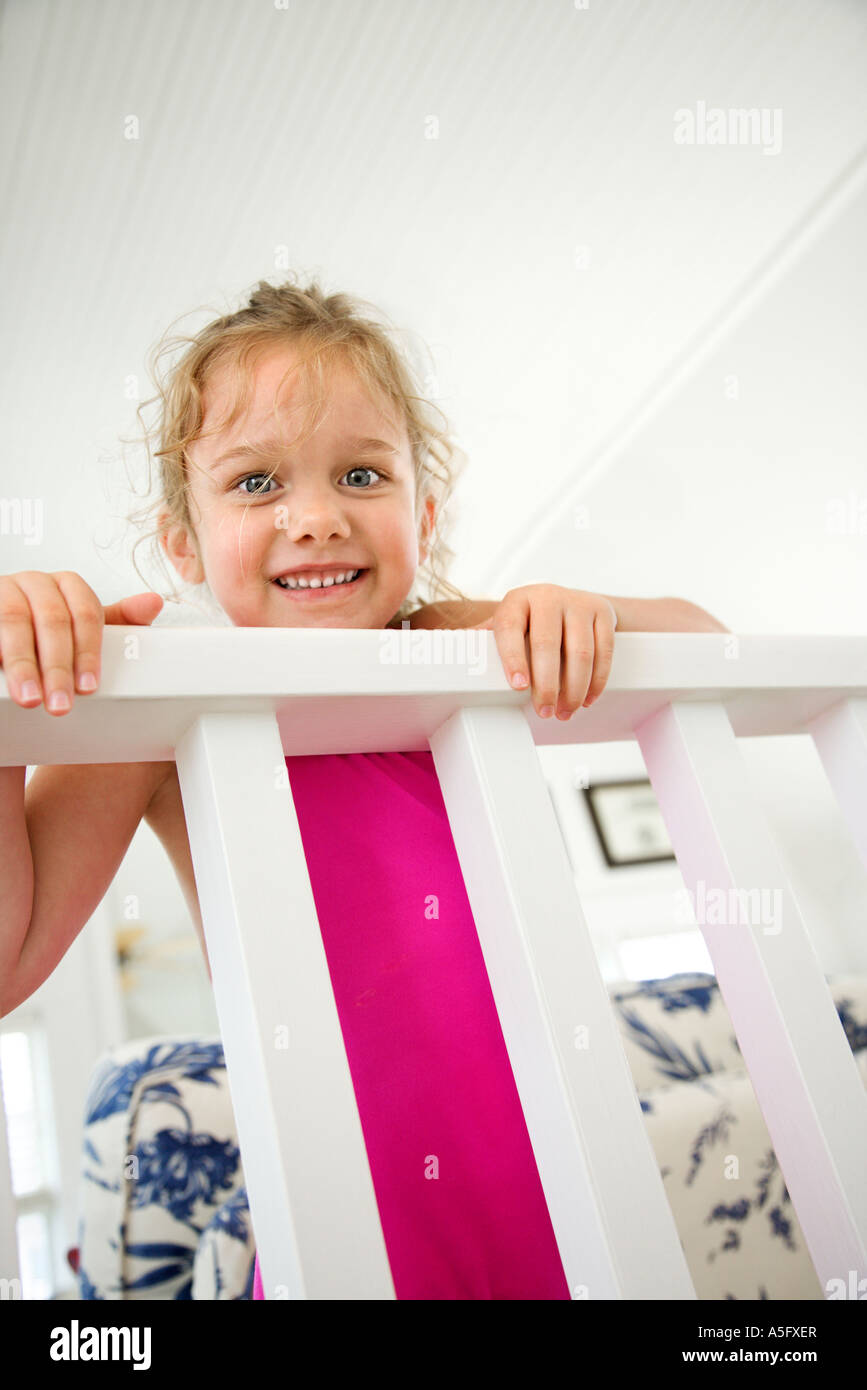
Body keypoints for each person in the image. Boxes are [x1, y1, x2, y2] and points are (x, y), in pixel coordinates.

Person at [0, 277, 728, 1300]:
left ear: (422, 516)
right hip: (341, 1246)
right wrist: (11, 704)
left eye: (360, 473)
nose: (316, 517)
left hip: (573, 1225)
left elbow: (712, 646)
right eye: (256, 483)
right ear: (182, 544)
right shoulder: (160, 698)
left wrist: (573, 608)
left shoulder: (453, 645)